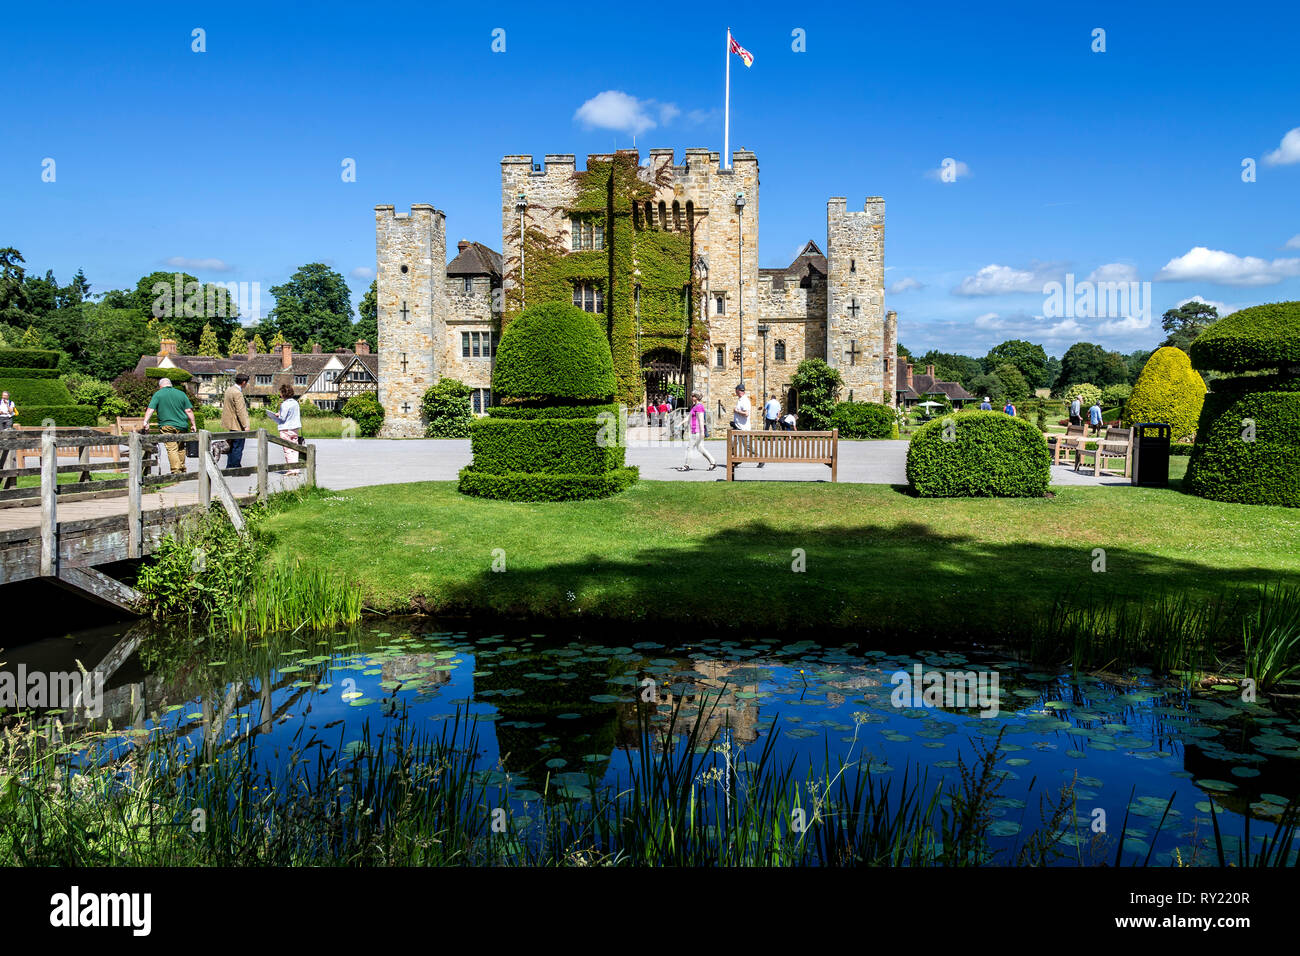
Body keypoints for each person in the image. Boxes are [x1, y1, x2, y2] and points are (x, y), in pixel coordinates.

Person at [140, 377, 196, 474]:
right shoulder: (181, 394)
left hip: (167, 425)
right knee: (181, 447)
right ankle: (182, 469)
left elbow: (150, 410)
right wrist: (193, 424)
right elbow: (188, 410)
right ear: (171, 384)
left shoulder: (158, 394)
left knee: (172, 448)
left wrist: (145, 422)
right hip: (182, 425)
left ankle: (176, 470)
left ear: (160, 386)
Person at [266, 384, 302, 477]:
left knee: (287, 449)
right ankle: (296, 469)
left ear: (283, 393)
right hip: (295, 428)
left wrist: (274, 416)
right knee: (295, 449)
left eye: (281, 392)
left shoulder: (284, 404)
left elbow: (282, 418)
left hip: (286, 428)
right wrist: (280, 414)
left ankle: (291, 469)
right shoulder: (295, 402)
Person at [679, 391, 716, 472]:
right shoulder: (694, 406)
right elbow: (688, 418)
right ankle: (713, 462)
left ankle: (686, 465)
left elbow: (701, 420)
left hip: (697, 431)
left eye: (693, 396)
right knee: (700, 448)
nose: (691, 397)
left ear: (696, 397)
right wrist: (680, 424)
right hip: (694, 431)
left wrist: (702, 432)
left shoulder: (699, 407)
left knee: (689, 448)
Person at [222, 372, 250, 468]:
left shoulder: (229, 390)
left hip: (230, 423)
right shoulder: (237, 393)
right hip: (237, 424)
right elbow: (240, 410)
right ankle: (235, 467)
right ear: (243, 382)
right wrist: (245, 425)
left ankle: (230, 465)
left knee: (232, 446)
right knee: (238, 447)